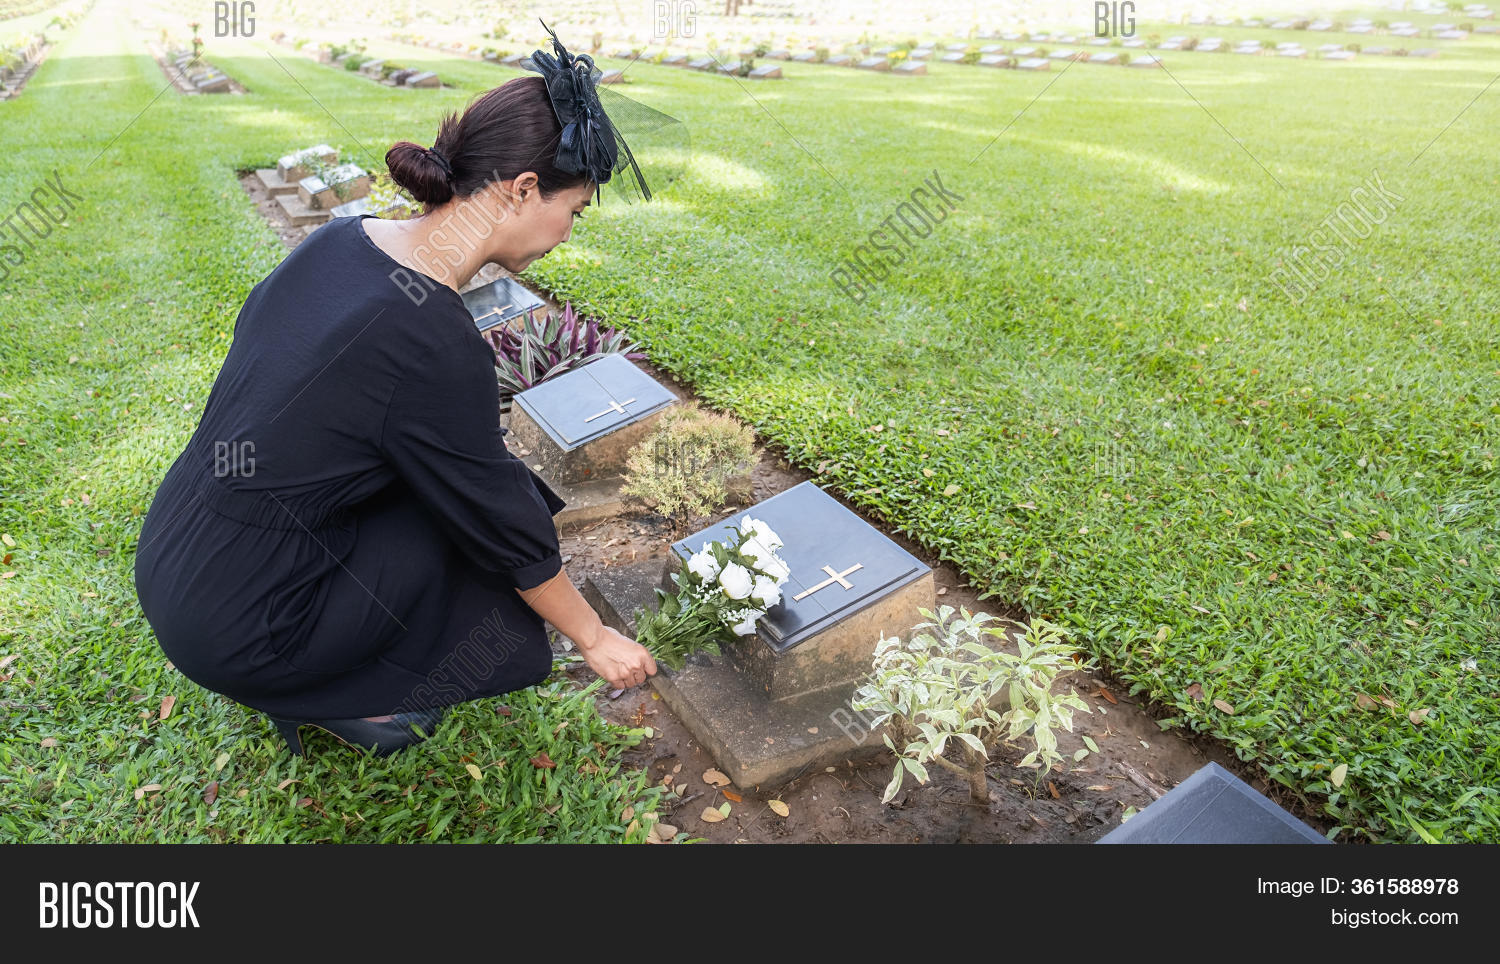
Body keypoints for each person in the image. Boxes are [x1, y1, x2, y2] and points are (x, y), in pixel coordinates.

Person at [132, 28, 662, 757]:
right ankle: (349, 692)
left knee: (448, 487)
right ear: (524, 189)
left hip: (177, 551)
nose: (566, 233)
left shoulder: (339, 242)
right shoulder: (429, 340)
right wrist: (594, 636)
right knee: (478, 522)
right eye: (573, 211)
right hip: (243, 624)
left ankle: (327, 680)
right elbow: (500, 522)